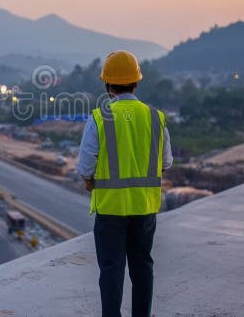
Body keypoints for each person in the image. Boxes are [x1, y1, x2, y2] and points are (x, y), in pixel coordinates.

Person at [76, 50, 173, 317]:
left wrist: (90, 183)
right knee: (142, 266)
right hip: (145, 209)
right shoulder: (155, 117)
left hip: (110, 210)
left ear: (108, 85)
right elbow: (166, 163)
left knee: (111, 269)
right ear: (137, 82)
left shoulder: (99, 117)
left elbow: (85, 167)